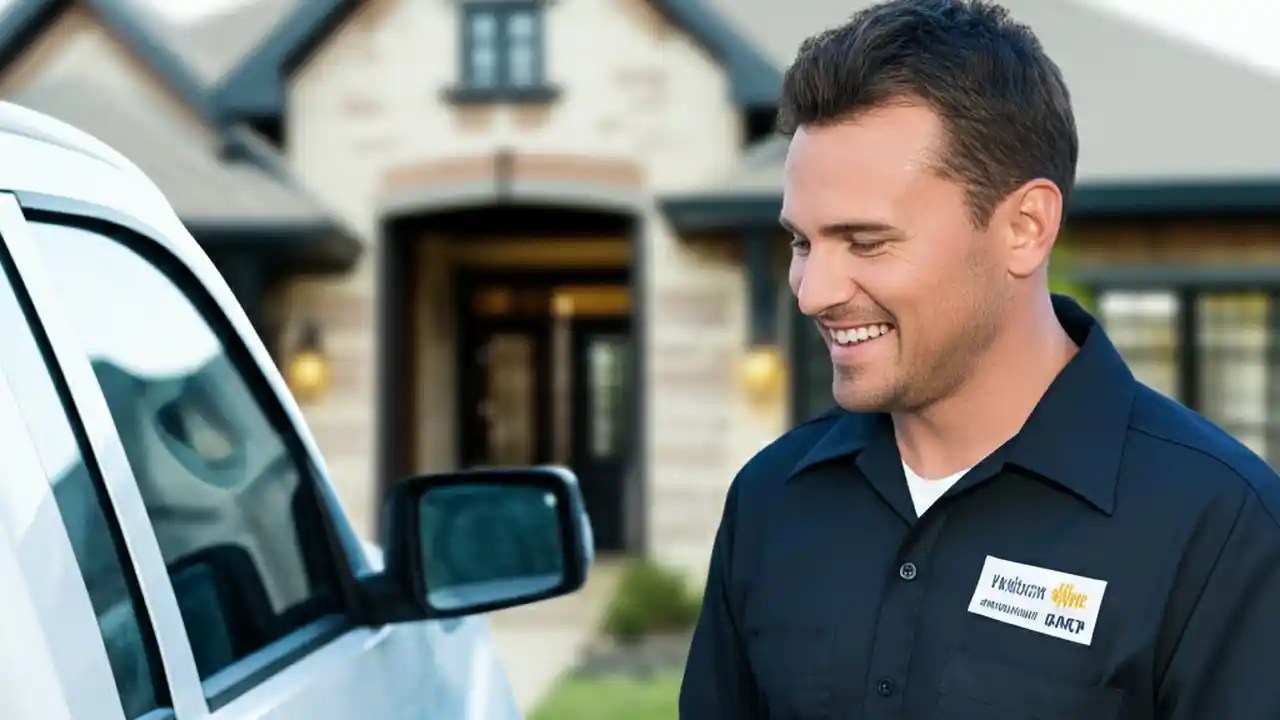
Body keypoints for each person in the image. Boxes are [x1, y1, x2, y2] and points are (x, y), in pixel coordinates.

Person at [678, 1, 1280, 718]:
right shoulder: (771, 501)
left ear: (1024, 228)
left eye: (866, 242)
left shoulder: (1219, 528)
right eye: (803, 242)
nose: (812, 292)